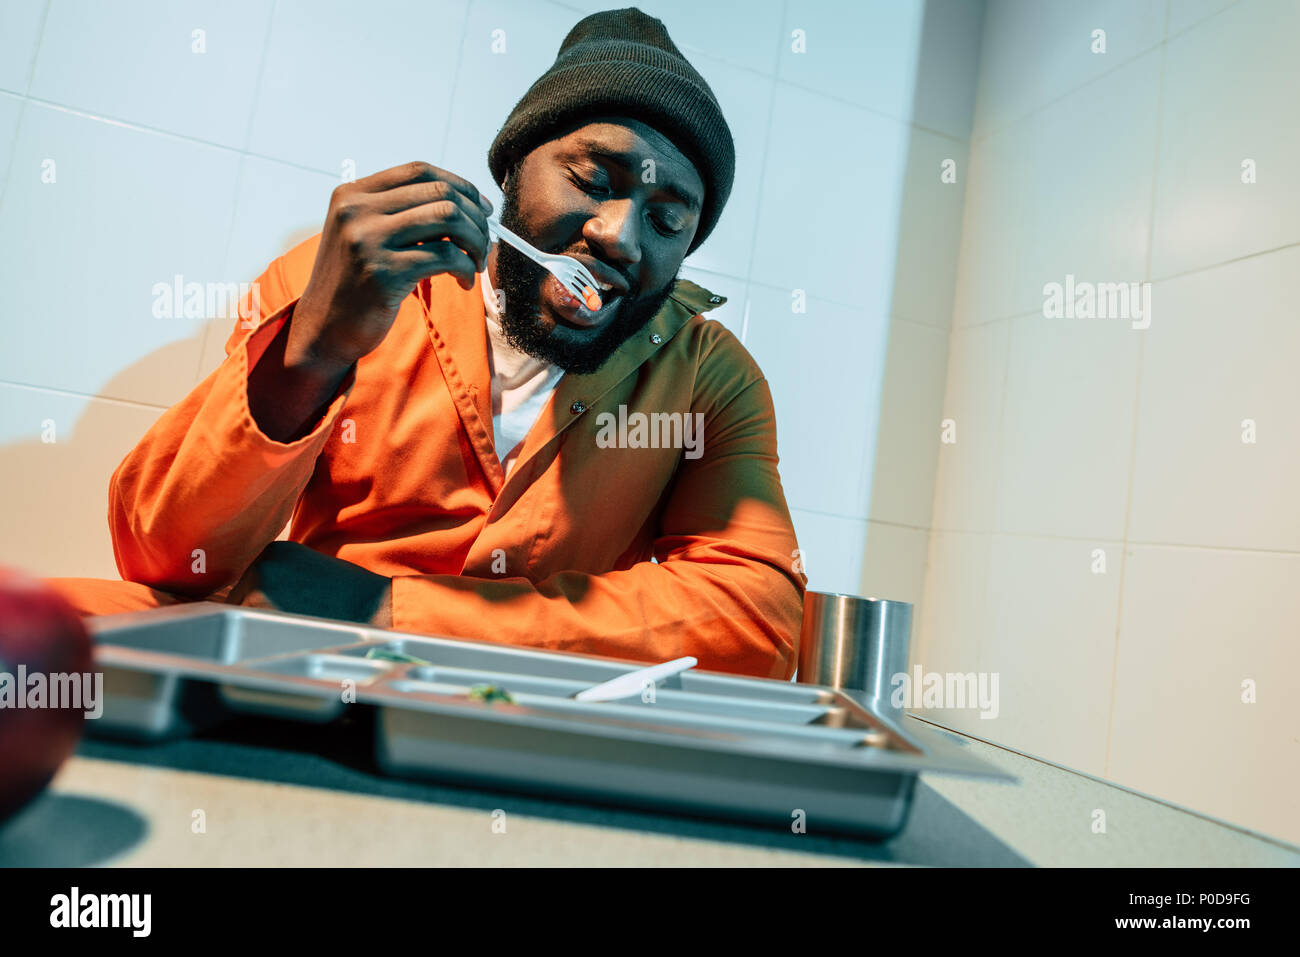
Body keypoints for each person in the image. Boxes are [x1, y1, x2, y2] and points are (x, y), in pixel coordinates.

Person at [47, 7, 805, 678]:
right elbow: (166, 556)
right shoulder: (348, 280)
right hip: (305, 681)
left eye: (669, 222)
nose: (620, 235)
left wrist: (388, 612)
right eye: (590, 178)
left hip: (529, 722)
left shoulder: (710, 376)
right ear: (512, 171)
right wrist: (312, 351)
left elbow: (758, 621)